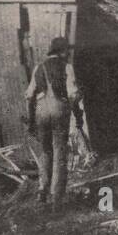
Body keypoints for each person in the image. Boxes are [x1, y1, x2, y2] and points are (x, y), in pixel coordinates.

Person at [25, 37, 84, 206]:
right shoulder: (67, 67)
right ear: (63, 51)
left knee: (45, 151)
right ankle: (56, 196)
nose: (68, 53)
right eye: (67, 50)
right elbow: (73, 95)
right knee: (59, 152)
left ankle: (42, 190)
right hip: (59, 109)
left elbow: (29, 96)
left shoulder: (39, 67)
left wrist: (30, 121)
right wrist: (78, 116)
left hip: (41, 111)